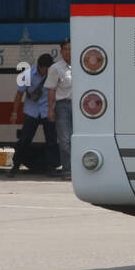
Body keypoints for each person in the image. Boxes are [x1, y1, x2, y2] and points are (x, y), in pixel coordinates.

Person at [10, 52, 57, 175]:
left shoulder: (53, 74)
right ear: (39, 67)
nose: (46, 72)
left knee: (51, 141)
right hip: (32, 111)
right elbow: (19, 94)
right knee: (24, 140)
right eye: (45, 69)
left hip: (48, 111)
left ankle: (51, 167)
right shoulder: (27, 75)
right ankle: (15, 165)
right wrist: (14, 113)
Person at [46, 40, 73, 178]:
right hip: (63, 106)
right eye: (66, 49)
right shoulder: (55, 68)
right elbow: (51, 90)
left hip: (80, 107)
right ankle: (68, 170)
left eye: (71, 49)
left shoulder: (83, 66)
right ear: (61, 51)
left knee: (78, 139)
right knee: (65, 140)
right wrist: (50, 109)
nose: (68, 52)